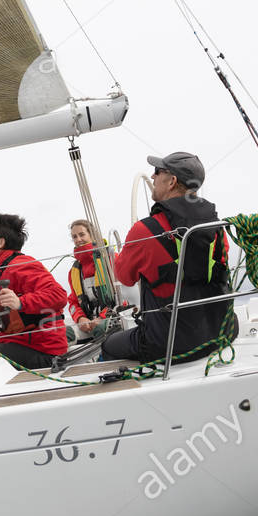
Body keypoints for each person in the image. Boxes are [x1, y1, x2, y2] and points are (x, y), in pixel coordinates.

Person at [102, 152, 236, 364]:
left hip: (168, 344)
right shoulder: (216, 227)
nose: (153, 177)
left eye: (157, 172)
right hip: (222, 333)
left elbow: (125, 277)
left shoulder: (144, 230)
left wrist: (117, 255)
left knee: (108, 345)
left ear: (172, 181)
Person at [0, 211, 68, 368]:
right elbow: (9, 323)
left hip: (43, 353)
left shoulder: (21, 265)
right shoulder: (1, 270)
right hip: (17, 342)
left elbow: (58, 296)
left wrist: (20, 302)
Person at [66, 219, 122, 339]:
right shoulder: (74, 271)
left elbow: (124, 294)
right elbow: (73, 302)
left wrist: (102, 317)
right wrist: (80, 318)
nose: (78, 240)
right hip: (89, 322)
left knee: (100, 329)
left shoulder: (111, 259)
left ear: (92, 235)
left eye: (82, 234)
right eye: (74, 237)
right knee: (64, 334)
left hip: (114, 317)